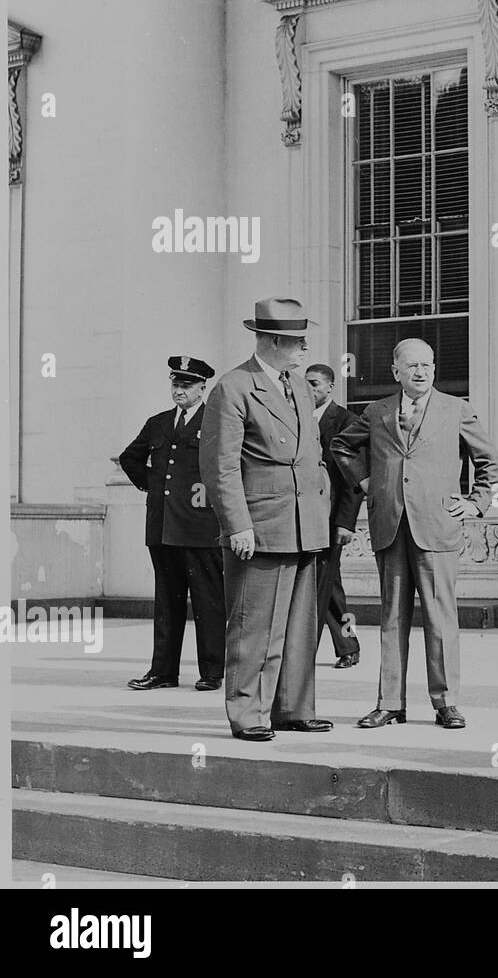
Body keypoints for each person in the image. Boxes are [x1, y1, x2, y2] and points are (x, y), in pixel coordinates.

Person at [331, 338, 498, 731]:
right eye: (412, 367)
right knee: (391, 617)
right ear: (396, 372)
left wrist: (476, 503)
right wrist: (369, 481)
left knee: (441, 618)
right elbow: (341, 446)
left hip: (437, 527)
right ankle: (390, 703)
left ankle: (446, 703)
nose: (421, 372)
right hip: (390, 525)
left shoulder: (456, 409)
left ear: (435, 369)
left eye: (427, 365)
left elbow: (488, 460)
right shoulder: (377, 411)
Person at [199, 298, 333, 742]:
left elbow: (312, 457)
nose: (304, 348)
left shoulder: (297, 383)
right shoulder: (234, 387)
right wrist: (237, 524)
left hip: (303, 524)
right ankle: (248, 714)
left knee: (299, 628)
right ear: (274, 341)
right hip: (260, 527)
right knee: (254, 628)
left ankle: (293, 708)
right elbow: (221, 466)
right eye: (297, 341)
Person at [118, 356, 225, 691]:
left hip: (201, 528)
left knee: (208, 602)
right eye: (176, 384)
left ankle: (212, 671)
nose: (179, 390)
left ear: (202, 388)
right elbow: (129, 458)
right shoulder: (159, 422)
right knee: (167, 603)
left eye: (187, 385)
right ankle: (163, 671)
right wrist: (152, 486)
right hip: (163, 528)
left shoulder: (217, 422)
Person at [305, 363, 362, 669]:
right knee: (325, 585)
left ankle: (345, 644)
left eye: (315, 384)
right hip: (303, 518)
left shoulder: (346, 421)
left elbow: (353, 480)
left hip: (331, 519)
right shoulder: (297, 418)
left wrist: (345, 522)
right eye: (306, 384)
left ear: (330, 388)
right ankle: (347, 645)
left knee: (327, 584)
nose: (309, 390)